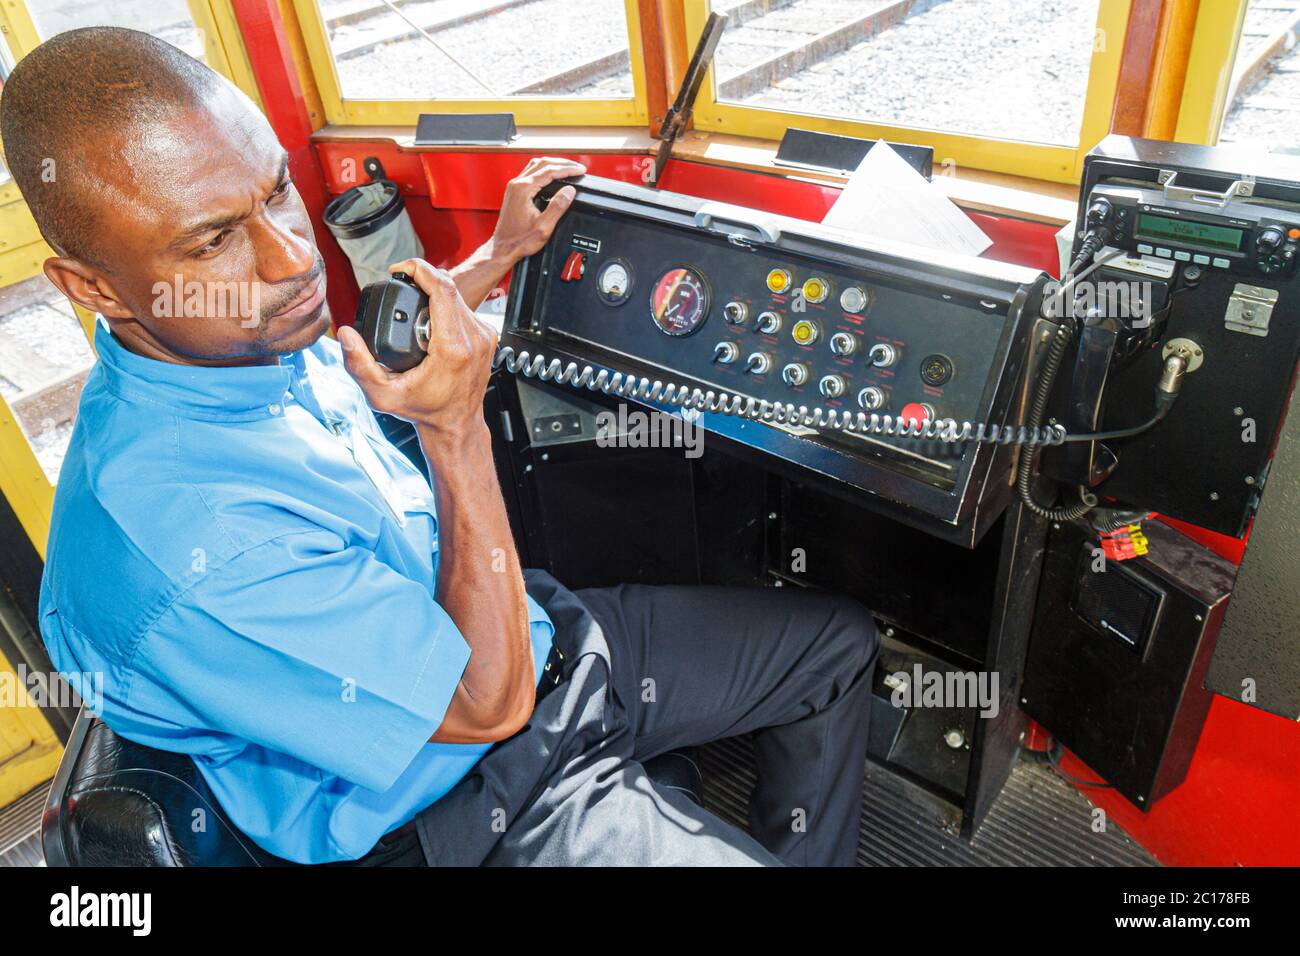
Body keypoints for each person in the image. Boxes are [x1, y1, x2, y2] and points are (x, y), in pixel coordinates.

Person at [4, 26, 878, 866]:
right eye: (213, 238)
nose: (291, 260)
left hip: (535, 642)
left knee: (834, 646)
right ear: (90, 286)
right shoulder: (186, 543)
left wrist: (496, 255)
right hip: (466, 790)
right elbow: (484, 705)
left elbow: (357, 362)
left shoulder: (226, 339)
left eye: (274, 192)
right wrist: (454, 427)